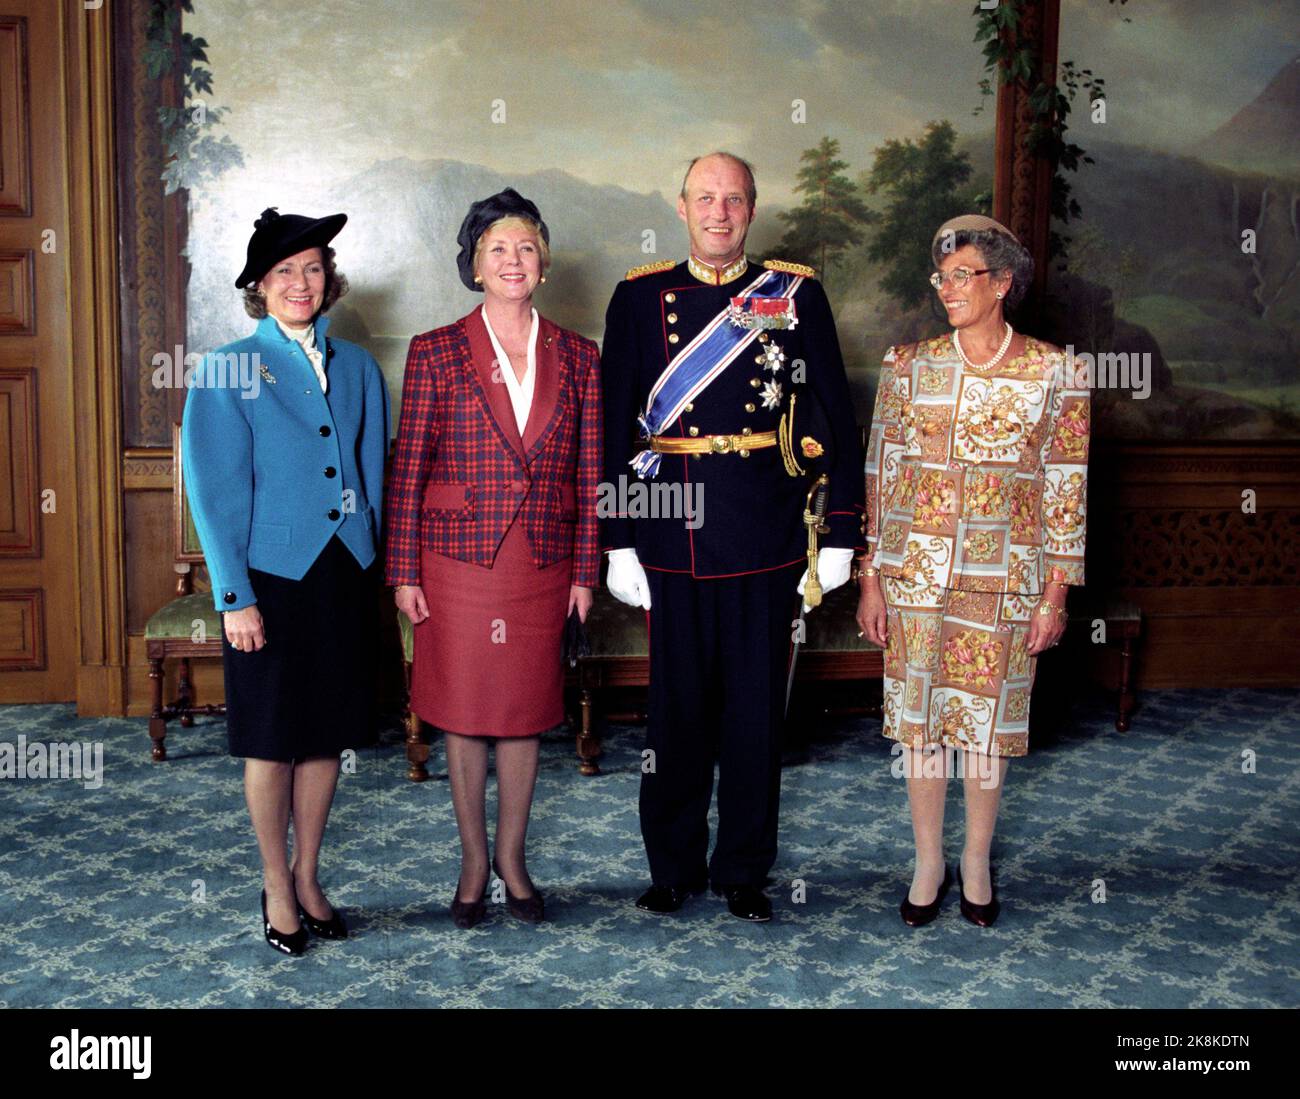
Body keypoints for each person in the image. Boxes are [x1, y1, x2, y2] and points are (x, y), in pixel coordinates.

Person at [601, 152, 864, 922]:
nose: (720, 212)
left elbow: (836, 417)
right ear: (681, 207)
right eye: (706, 198)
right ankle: (673, 864)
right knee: (674, 712)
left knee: (755, 712)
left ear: (753, 209)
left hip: (767, 529)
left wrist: (842, 530)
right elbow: (616, 422)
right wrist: (618, 537)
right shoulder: (638, 296)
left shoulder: (797, 293)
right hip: (671, 530)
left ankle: (745, 867)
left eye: (735, 200)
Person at [857, 214, 1090, 928]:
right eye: (942, 276)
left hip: (1008, 581)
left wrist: (1056, 592)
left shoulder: (1057, 371)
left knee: (986, 726)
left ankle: (978, 859)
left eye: (963, 275)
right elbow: (882, 471)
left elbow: (1065, 485)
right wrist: (872, 574)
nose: (948, 288)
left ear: (1003, 284)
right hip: (916, 574)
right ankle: (929, 860)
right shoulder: (907, 366)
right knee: (922, 725)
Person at [385, 189, 602, 929]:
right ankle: (474, 862)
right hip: (458, 565)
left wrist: (585, 571)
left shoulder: (579, 354)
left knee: (522, 716)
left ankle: (513, 858)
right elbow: (407, 468)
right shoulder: (436, 350)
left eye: (527, 248)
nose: (514, 261)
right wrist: (403, 572)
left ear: (543, 264)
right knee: (465, 716)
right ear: (474, 266)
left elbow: (590, 472)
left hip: (541, 564)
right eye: (497, 249)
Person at [183, 208, 390, 955]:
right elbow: (213, 493)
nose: (301, 283)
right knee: (272, 740)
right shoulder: (228, 369)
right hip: (269, 579)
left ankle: (309, 875)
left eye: (312, 268)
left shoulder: (360, 367)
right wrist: (234, 597)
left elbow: (371, 472)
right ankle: (275, 883)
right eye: (283, 273)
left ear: (327, 279)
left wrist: (375, 563)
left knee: (327, 735)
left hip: (341, 573)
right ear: (259, 288)